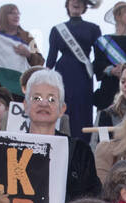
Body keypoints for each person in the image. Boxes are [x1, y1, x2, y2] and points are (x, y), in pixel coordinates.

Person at [24, 68, 101, 200]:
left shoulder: (80, 151)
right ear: (26, 106)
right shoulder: (8, 148)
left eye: (51, 99)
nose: (44, 103)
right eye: (36, 98)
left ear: (62, 109)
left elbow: (93, 199)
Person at [46, 0, 100, 136]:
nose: (76, 2)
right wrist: (44, 78)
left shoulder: (93, 28)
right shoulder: (57, 29)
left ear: (85, 6)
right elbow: (51, 58)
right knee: (63, 105)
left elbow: (99, 55)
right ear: (67, 4)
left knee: (82, 109)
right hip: (63, 73)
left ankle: (82, 143)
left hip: (83, 74)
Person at [93, 2, 126, 114]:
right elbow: (97, 64)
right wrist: (112, 70)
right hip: (109, 89)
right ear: (118, 16)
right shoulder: (103, 41)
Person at [0, 4, 45, 69]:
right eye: (12, 13)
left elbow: (40, 62)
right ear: (3, 16)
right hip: (0, 74)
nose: (17, 16)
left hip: (21, 74)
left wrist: (29, 54)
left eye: (18, 13)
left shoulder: (27, 36)